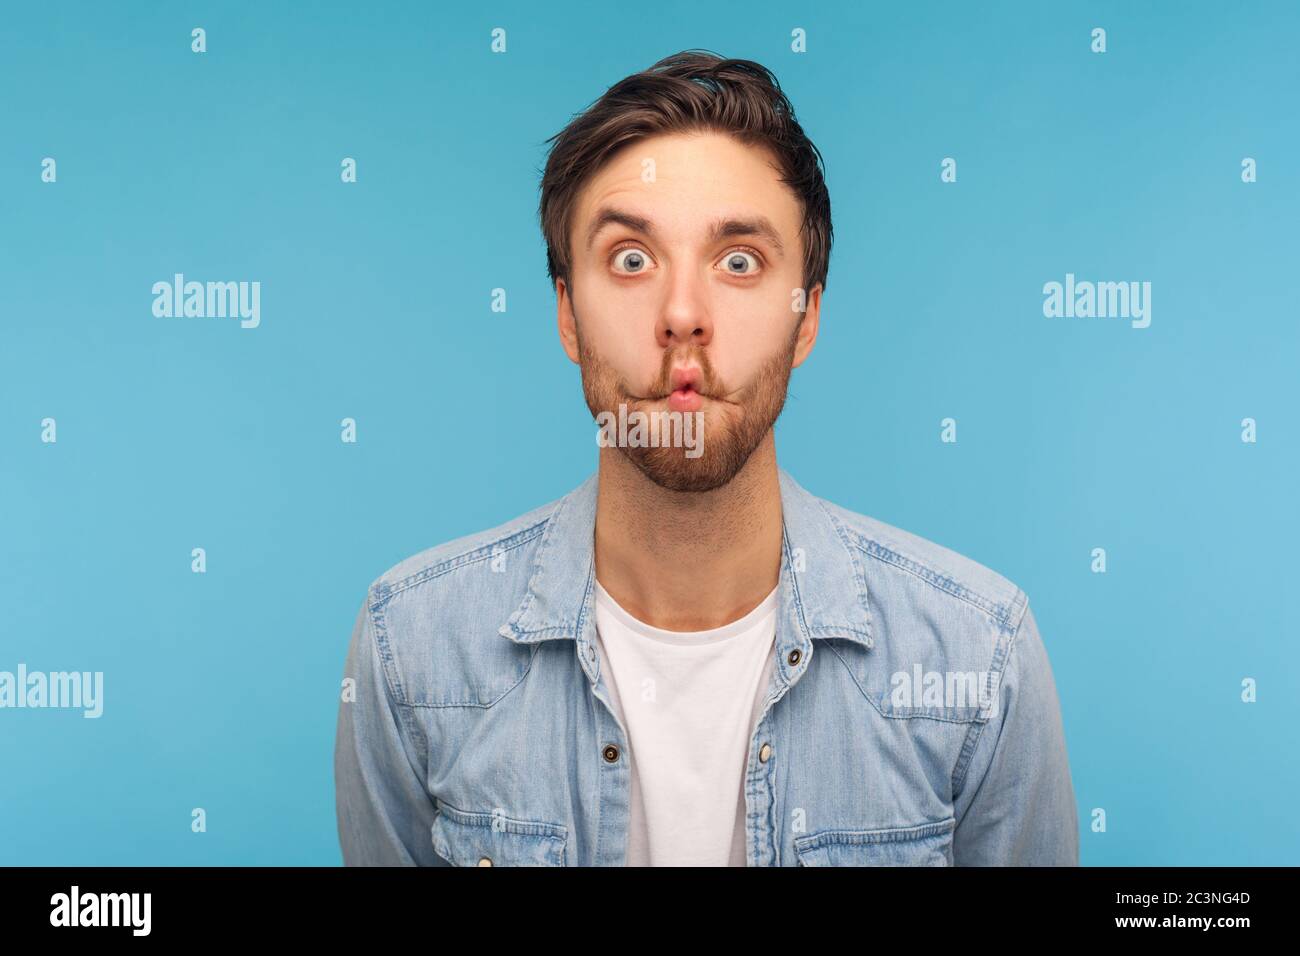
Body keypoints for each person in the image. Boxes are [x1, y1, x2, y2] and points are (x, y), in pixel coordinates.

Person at [334, 50, 1078, 866]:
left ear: (806, 320)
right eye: (630, 260)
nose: (683, 314)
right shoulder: (409, 647)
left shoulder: (979, 657)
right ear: (568, 317)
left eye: (738, 263)